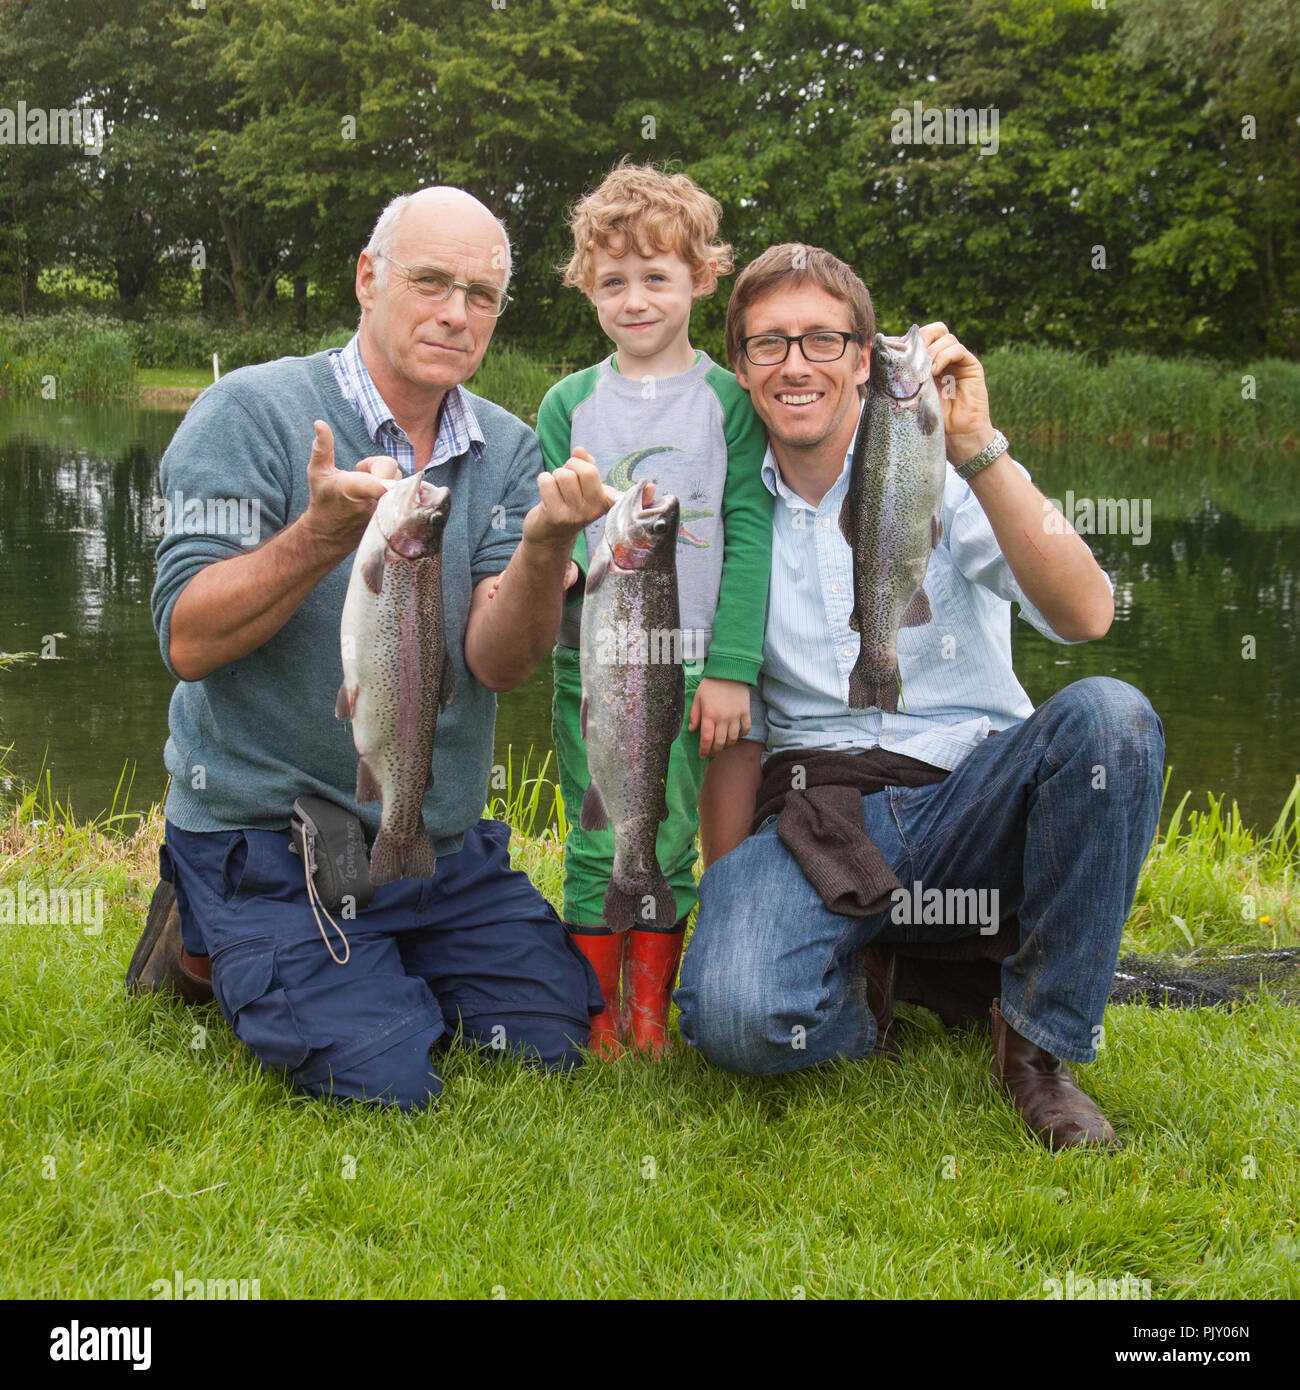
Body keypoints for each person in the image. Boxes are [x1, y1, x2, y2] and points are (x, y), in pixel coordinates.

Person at [126, 187, 617, 1111]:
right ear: (367, 277)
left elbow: (499, 665)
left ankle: (367, 953)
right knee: (383, 1077)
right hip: (275, 841)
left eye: (481, 295)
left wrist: (549, 543)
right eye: (431, 282)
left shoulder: (509, 449)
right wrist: (318, 535)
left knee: (547, 1043)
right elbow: (187, 639)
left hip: (437, 843)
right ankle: (203, 933)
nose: (455, 312)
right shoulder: (249, 411)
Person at [677, 244, 1165, 1150]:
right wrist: (729, 894)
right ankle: (875, 993)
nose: (796, 365)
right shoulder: (721, 512)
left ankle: (1037, 1049)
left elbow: (1089, 612)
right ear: (740, 367)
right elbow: (732, 731)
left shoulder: (931, 459)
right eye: (768, 344)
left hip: (971, 792)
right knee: (735, 1018)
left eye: (823, 340)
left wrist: (979, 446)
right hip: (817, 816)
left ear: (866, 359)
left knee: (1113, 718)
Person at [535, 163, 770, 1055]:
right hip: (593, 662)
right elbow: (554, 533)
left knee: (672, 836)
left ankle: (650, 1018)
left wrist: (732, 670)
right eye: (612, 282)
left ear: (700, 279)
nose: (634, 300)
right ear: (587, 289)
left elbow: (750, 537)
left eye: (656, 277)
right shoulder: (568, 403)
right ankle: (597, 1016)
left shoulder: (728, 404)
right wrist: (549, 556)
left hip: (695, 666)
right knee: (598, 828)